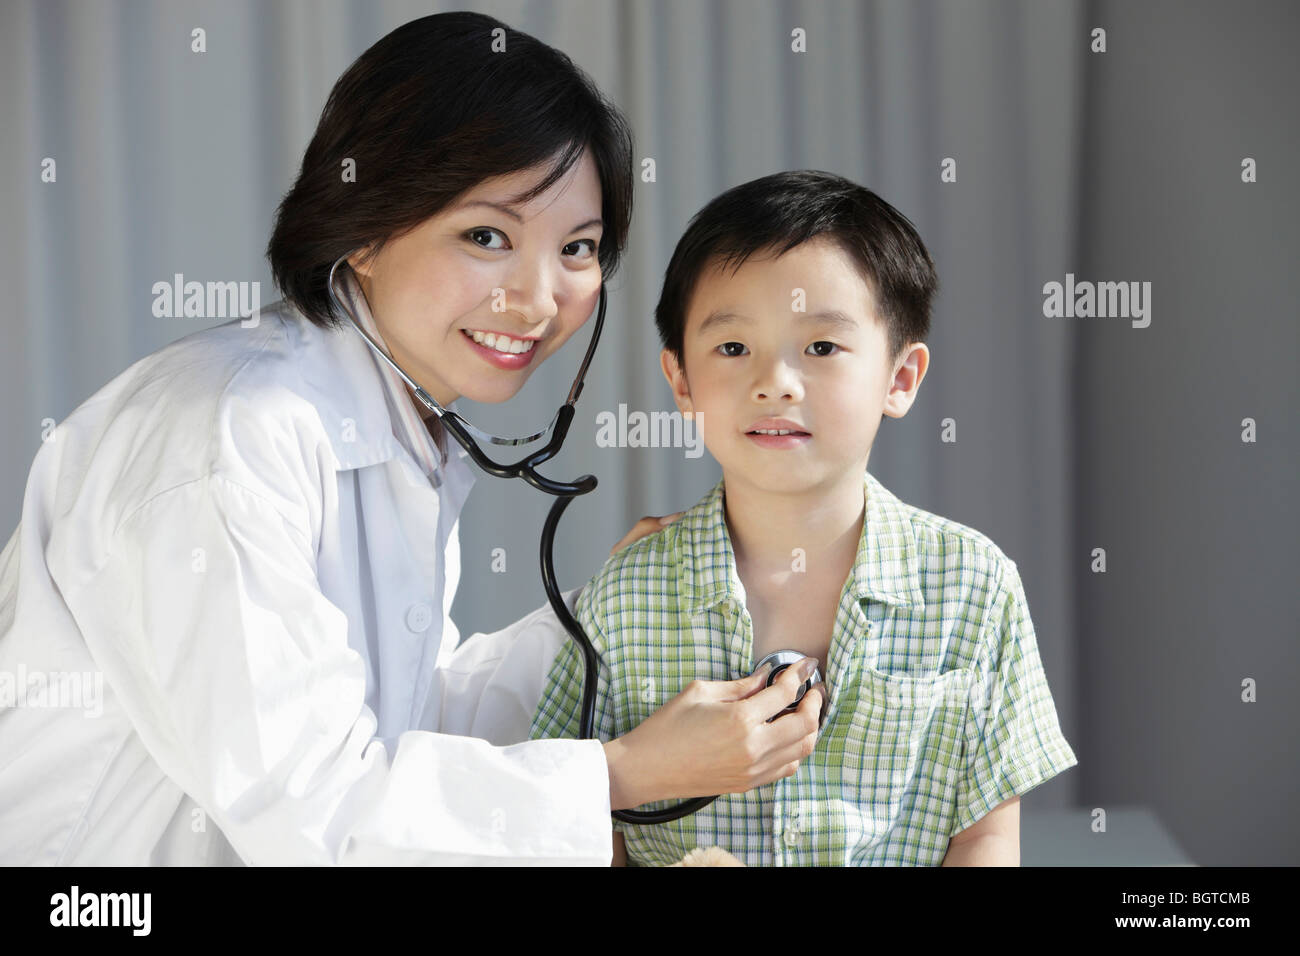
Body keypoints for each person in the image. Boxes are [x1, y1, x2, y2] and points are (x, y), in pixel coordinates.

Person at [0, 13, 823, 866]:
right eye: (486, 237)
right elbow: (315, 814)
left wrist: (603, 620)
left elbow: (412, 720)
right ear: (364, 227)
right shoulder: (231, 435)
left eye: (577, 248)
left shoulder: (390, 423)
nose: (539, 300)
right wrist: (619, 775)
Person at [530, 170, 1079, 866]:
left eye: (821, 347)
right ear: (682, 383)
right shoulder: (625, 596)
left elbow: (985, 834)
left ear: (900, 379)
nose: (775, 381)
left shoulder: (974, 588)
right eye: (733, 348)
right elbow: (581, 819)